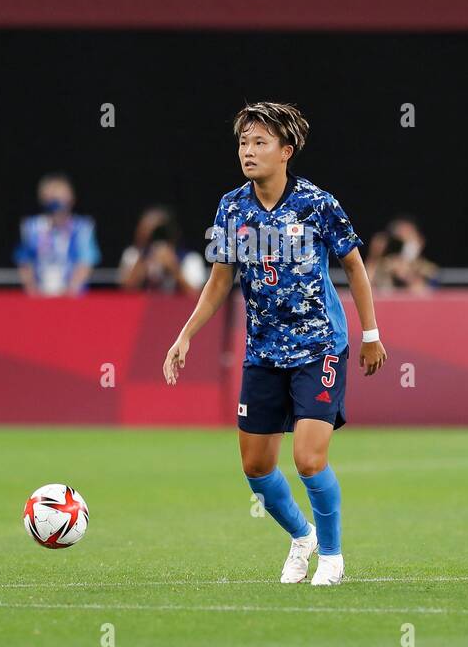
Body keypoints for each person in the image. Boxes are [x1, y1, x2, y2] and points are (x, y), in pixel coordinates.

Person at [162, 102, 386, 586]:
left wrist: (370, 334)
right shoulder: (232, 207)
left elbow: (354, 268)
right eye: (244, 142)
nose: (248, 151)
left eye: (260, 142)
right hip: (263, 351)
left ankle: (331, 556)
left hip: (319, 345)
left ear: (286, 151)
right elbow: (220, 280)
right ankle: (301, 537)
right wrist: (185, 335)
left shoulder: (318, 204)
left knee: (308, 458)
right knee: (256, 468)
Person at [14, 174, 100, 296]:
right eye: (52, 194)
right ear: (42, 197)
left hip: (73, 298)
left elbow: (86, 261)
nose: (56, 199)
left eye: (61, 193)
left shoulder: (83, 228)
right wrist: (33, 292)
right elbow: (24, 262)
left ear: (71, 198)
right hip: (39, 296)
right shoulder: (31, 227)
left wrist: (70, 291)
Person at [119, 206, 207, 293]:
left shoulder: (191, 259)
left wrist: (174, 268)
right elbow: (125, 292)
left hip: (179, 306)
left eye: (160, 231)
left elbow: (196, 296)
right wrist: (142, 258)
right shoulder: (132, 254)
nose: (157, 237)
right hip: (144, 305)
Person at [365, 216, 439, 293]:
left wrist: (408, 274)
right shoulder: (385, 264)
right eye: (402, 234)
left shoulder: (427, 269)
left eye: (409, 235)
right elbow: (367, 285)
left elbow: (425, 288)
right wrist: (374, 255)